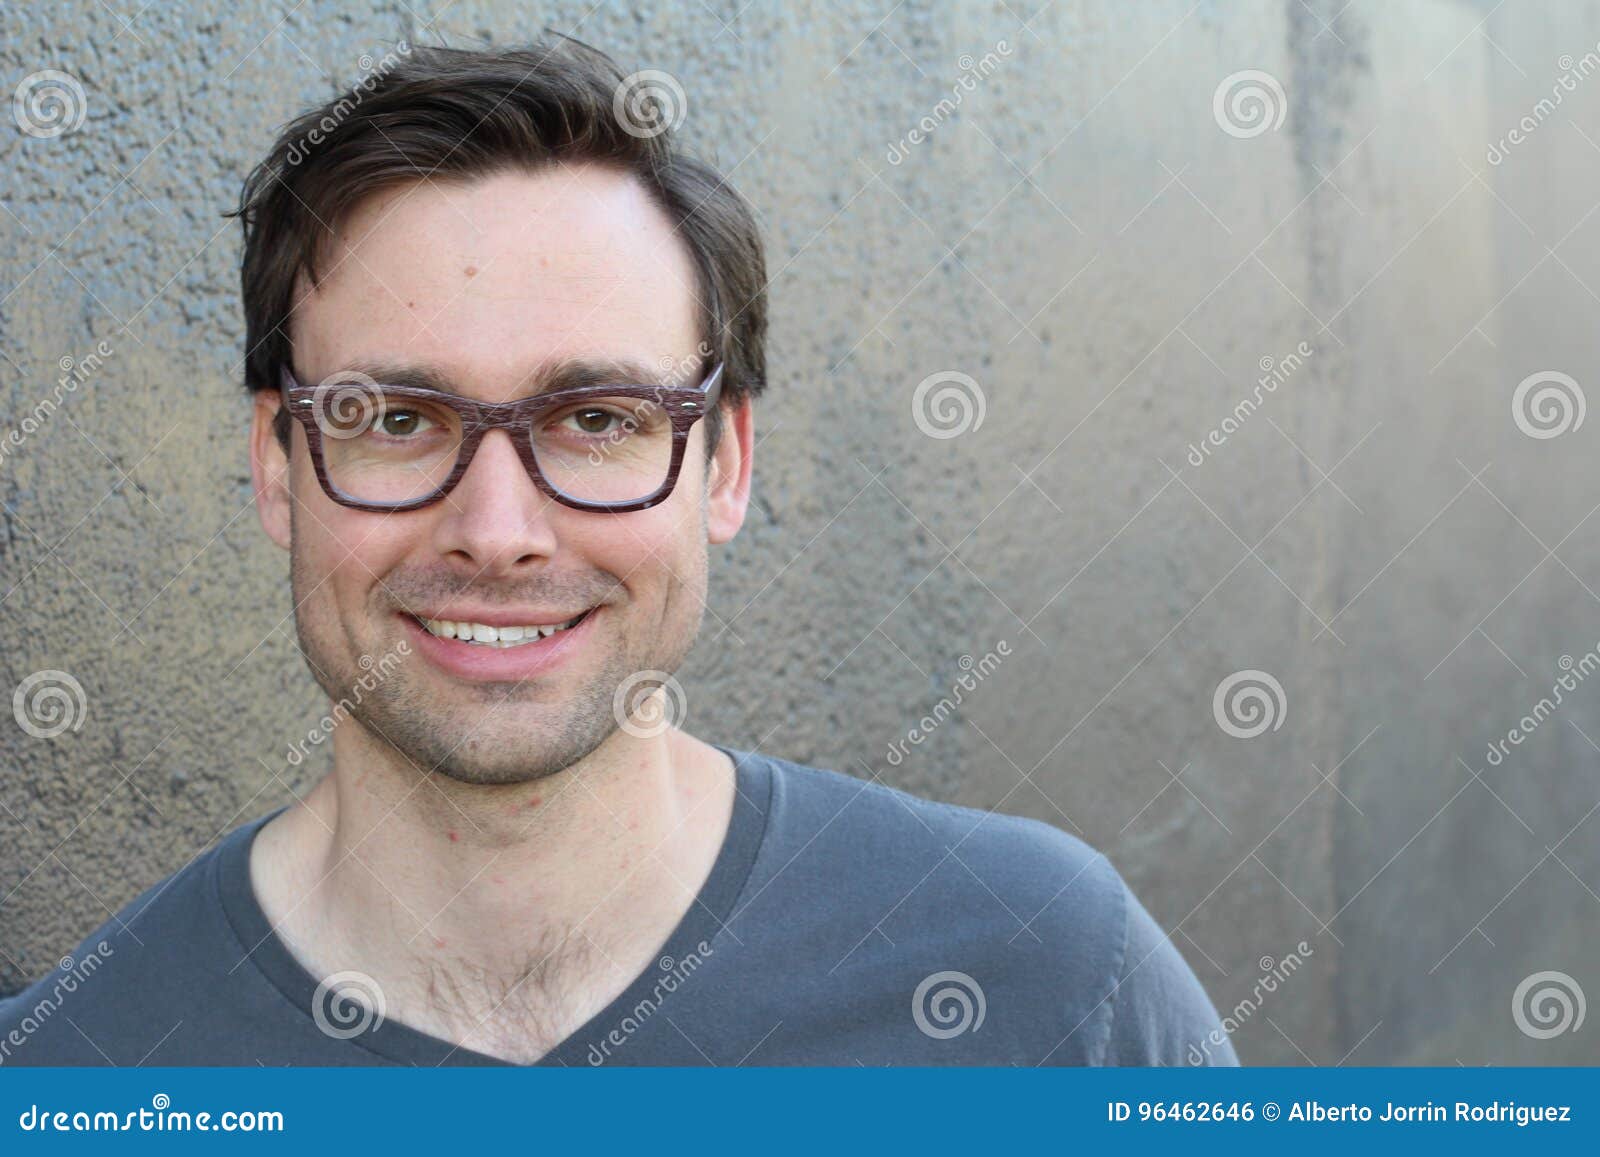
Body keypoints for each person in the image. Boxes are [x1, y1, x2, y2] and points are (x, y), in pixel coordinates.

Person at [0, 35, 1237, 1067]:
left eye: (596, 420)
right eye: (395, 420)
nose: (496, 532)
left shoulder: (1040, 975)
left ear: (726, 463)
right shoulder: (80, 1066)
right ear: (277, 463)